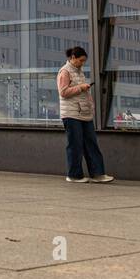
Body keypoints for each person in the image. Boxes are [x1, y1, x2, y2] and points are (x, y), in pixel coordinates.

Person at [57, 45, 113, 184]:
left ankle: (98, 173)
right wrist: (81, 88)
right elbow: (63, 92)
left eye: (84, 61)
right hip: (71, 114)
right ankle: (74, 175)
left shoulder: (79, 72)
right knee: (75, 145)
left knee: (91, 143)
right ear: (73, 57)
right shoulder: (64, 72)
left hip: (84, 112)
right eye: (80, 60)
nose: (82, 63)